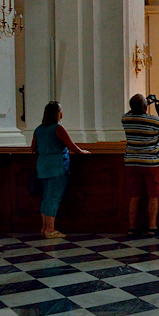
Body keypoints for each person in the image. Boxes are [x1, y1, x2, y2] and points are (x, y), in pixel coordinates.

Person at [31, 101, 90, 239]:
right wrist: (82, 152)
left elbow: (33, 148)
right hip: (56, 166)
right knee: (54, 197)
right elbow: (71, 146)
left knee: (46, 197)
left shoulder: (39, 129)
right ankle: (50, 229)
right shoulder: (57, 129)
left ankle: (44, 227)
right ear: (57, 113)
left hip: (43, 165)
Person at [122, 94, 159, 236]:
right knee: (153, 195)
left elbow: (131, 111)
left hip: (132, 162)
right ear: (145, 108)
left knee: (134, 195)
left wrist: (143, 103)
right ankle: (152, 227)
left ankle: (132, 228)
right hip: (151, 163)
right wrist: (158, 110)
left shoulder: (126, 119)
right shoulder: (154, 120)